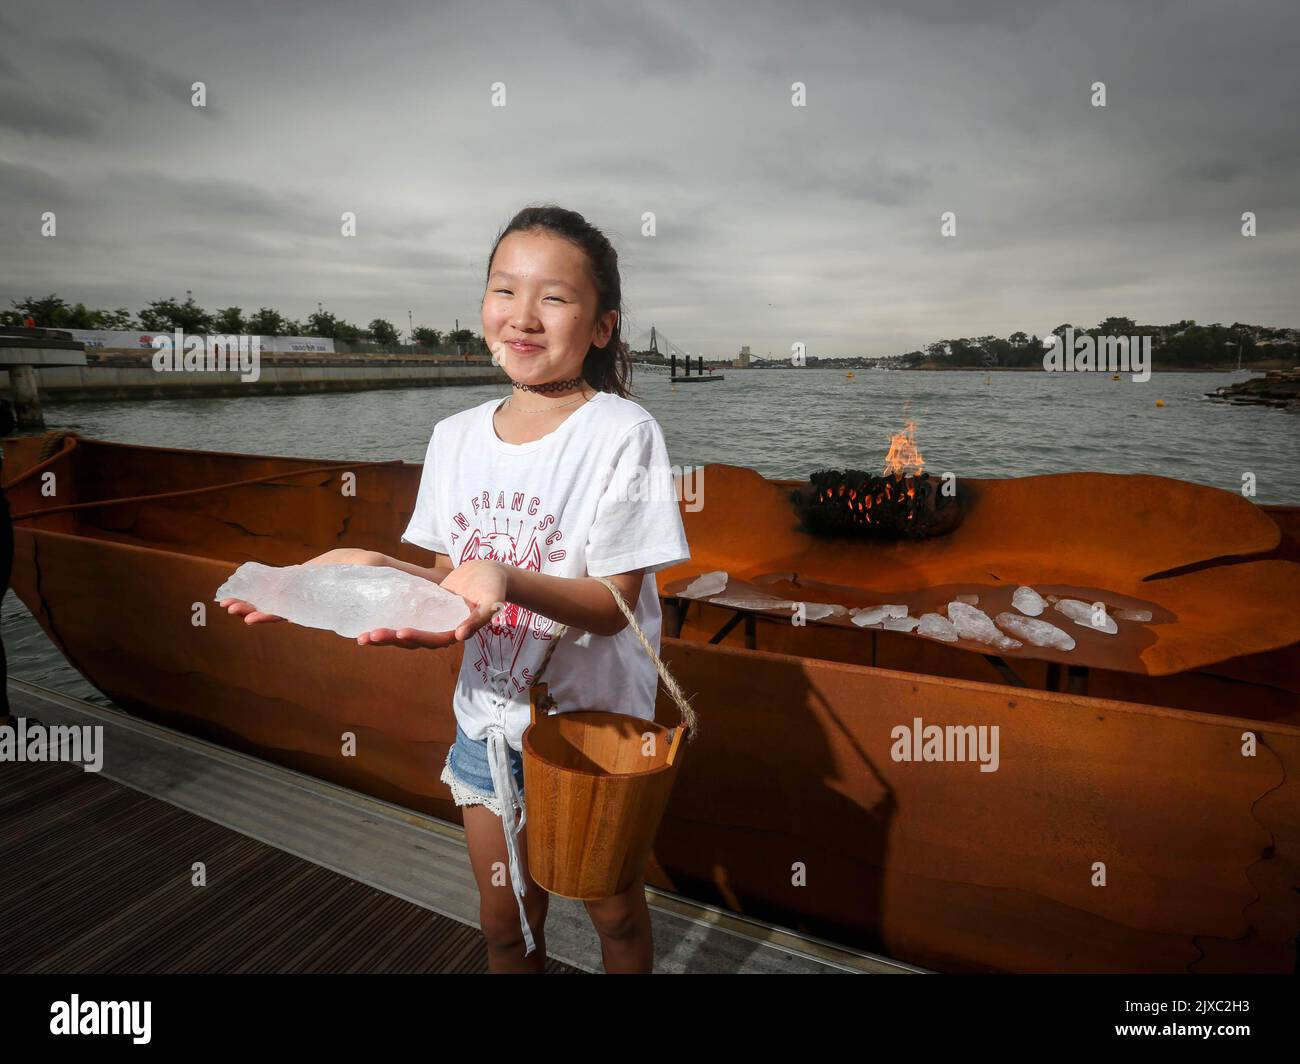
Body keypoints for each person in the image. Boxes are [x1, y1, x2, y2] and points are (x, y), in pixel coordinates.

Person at [221, 205, 691, 973]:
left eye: (555, 298)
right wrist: (373, 571)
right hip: (484, 728)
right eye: (505, 290)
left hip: (588, 732)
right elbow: (451, 582)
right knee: (505, 924)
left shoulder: (620, 432)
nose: (524, 316)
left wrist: (506, 578)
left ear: (602, 326)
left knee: (612, 911)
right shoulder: (454, 436)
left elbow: (611, 607)